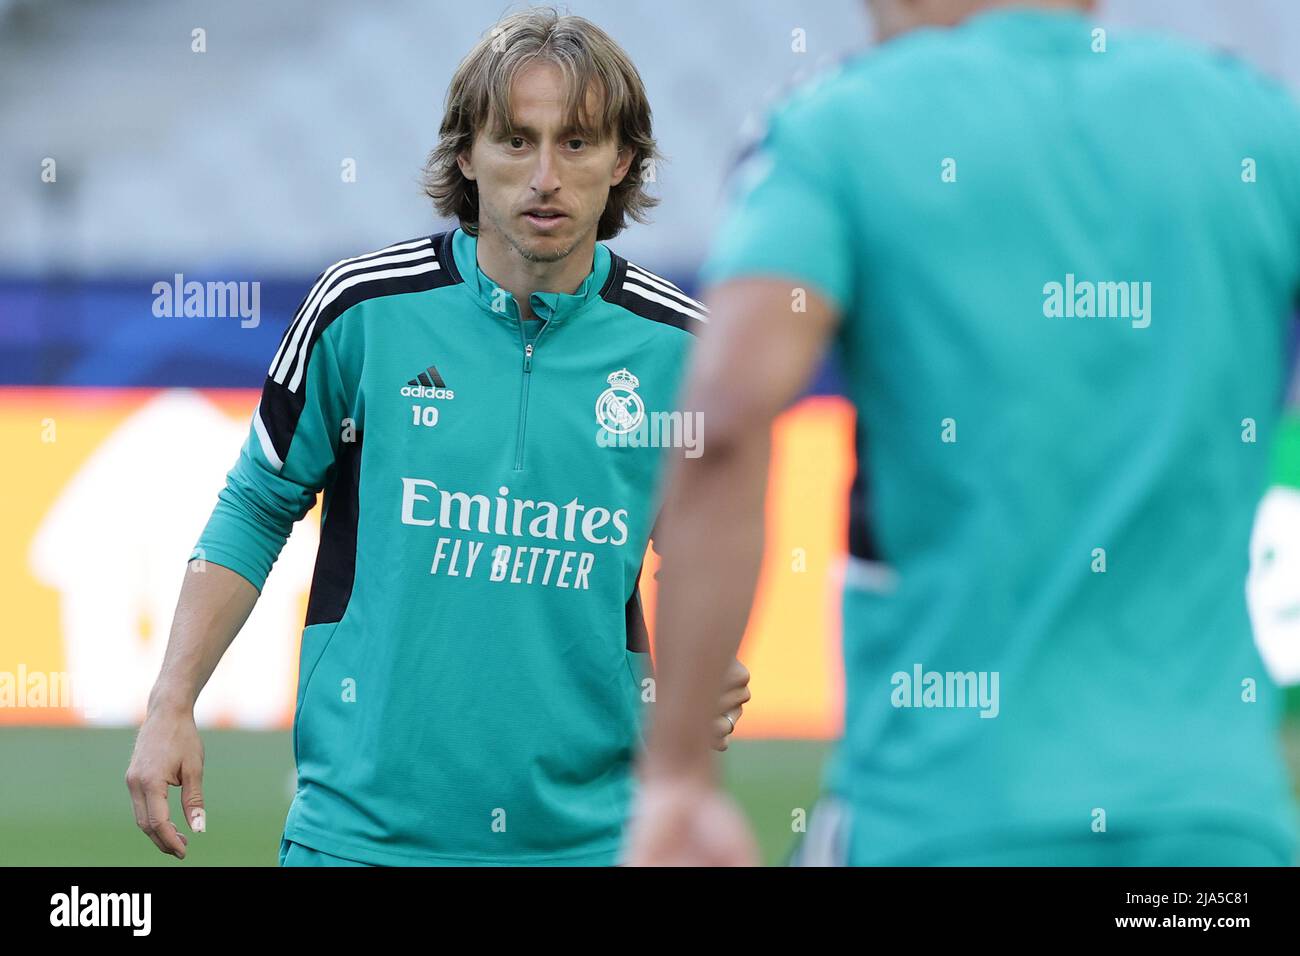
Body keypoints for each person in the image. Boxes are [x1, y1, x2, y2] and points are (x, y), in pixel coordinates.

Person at [627, 0, 1300, 866]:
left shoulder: (840, 125)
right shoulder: (1255, 120)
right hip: (1220, 840)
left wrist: (679, 773)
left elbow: (721, 419)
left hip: (942, 823)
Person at [126, 8, 749, 867]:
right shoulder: (361, 311)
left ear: (623, 161)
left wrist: (709, 665)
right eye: (515, 141)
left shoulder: (681, 351)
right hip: (358, 840)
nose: (544, 177)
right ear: (465, 154)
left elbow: (710, 546)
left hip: (592, 843)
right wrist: (171, 701)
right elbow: (257, 503)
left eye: (577, 143)